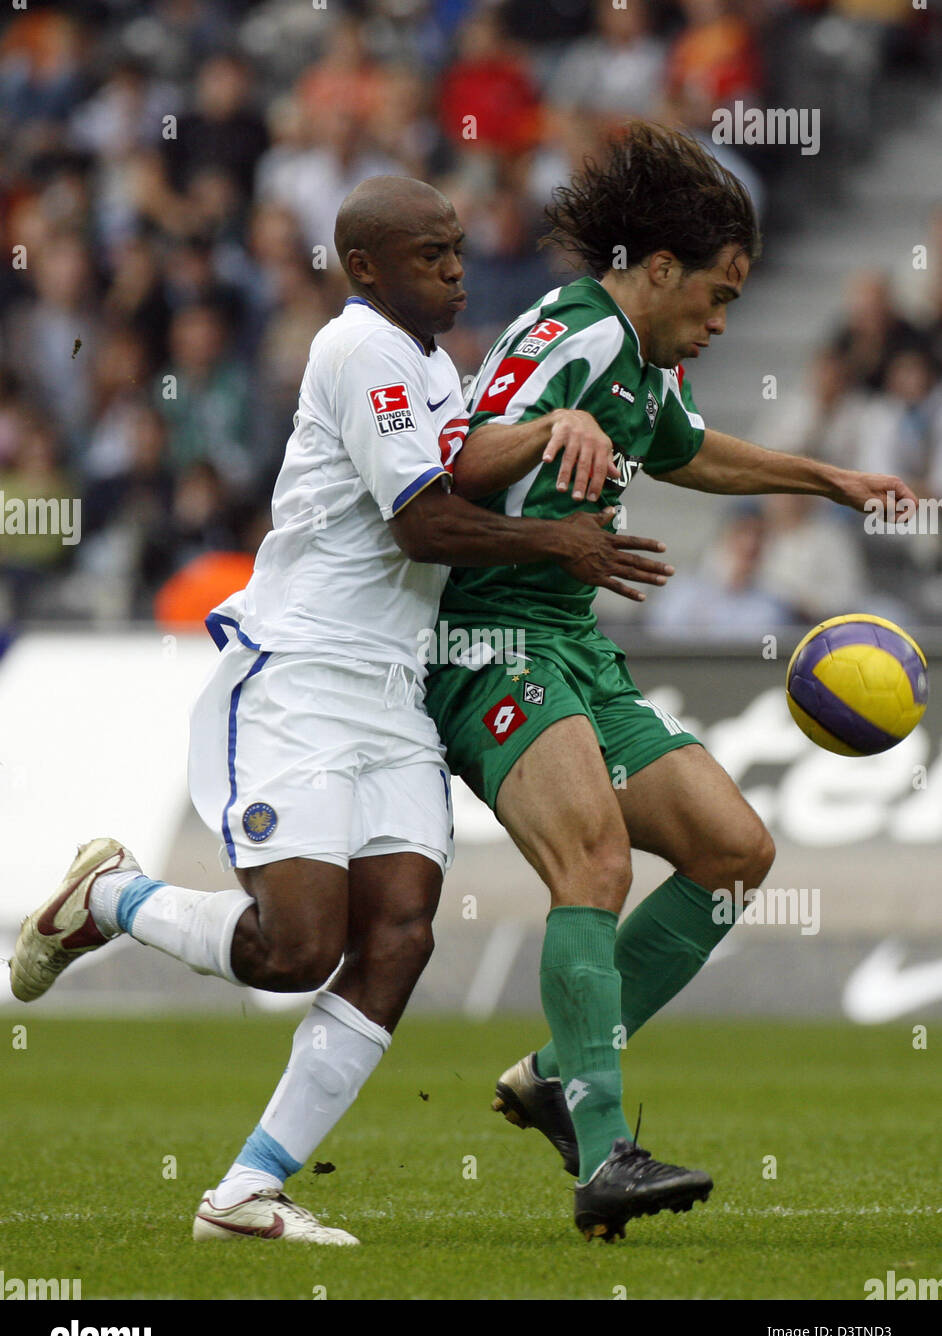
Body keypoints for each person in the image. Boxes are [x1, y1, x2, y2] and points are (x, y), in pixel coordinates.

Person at [9, 175, 668, 1247]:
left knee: (401, 930)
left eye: (459, 250)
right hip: (302, 677)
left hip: (394, 689)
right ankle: (113, 897)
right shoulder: (355, 346)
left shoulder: (433, 365)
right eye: (432, 255)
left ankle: (246, 1190)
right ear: (367, 268)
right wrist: (561, 539)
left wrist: (557, 425)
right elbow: (423, 522)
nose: (457, 270)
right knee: (295, 947)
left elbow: (462, 461)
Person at [424, 122, 918, 1242]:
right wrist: (547, 430)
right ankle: (604, 1157)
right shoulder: (576, 333)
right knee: (594, 861)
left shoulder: (642, 358)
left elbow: (688, 449)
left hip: (574, 638)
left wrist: (829, 477)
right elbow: (452, 457)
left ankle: (558, 1073)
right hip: (490, 633)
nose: (724, 318)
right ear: (657, 269)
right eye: (720, 293)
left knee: (735, 851)